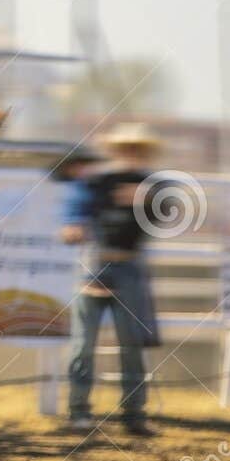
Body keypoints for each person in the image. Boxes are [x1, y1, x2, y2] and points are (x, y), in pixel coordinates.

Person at [60, 124, 168, 436]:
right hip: (97, 265)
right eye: (125, 148)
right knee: (83, 344)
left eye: (136, 149)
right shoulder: (97, 181)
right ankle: (79, 411)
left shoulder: (153, 186)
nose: (130, 155)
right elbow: (74, 212)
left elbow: (168, 213)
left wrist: (146, 200)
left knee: (131, 345)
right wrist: (73, 226)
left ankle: (133, 415)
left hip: (128, 267)